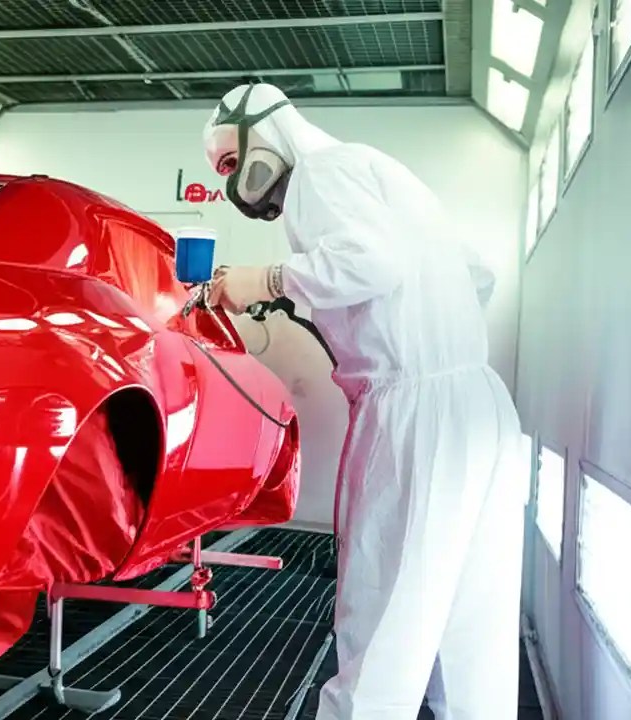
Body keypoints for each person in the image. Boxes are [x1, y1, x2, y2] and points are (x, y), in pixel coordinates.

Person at [201, 82, 529, 719]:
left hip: (414, 411)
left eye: (230, 164)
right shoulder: (381, 170)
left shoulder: (319, 175)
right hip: (477, 400)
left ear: (262, 134)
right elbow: (475, 273)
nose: (233, 183)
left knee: (381, 620)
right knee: (473, 623)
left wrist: (265, 279)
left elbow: (371, 261)